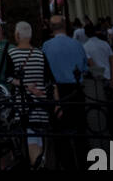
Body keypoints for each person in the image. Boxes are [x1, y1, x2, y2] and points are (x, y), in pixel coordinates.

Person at [42, 14, 88, 169]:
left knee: (60, 133)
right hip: (76, 90)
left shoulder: (47, 46)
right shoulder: (76, 45)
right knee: (80, 131)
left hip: (58, 91)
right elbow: (84, 68)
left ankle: (67, 164)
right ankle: (83, 162)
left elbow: (45, 72)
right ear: (65, 26)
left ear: (51, 28)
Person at [6, 22, 49, 167]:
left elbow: (8, 77)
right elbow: (48, 79)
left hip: (23, 106)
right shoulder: (40, 54)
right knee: (39, 139)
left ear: (17, 35)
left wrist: (25, 86)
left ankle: (36, 165)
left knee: (31, 140)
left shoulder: (12, 54)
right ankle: (40, 163)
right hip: (40, 104)